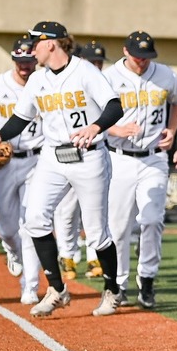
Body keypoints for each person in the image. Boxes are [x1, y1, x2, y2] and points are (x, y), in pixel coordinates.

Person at [0, 21, 125, 318]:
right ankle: (57, 289)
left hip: (88, 156)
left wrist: (96, 125)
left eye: (36, 42)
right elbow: (21, 117)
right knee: (35, 219)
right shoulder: (38, 80)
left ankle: (113, 290)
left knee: (97, 232)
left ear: (51, 43)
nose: (31, 48)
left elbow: (115, 106)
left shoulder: (85, 70)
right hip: (52, 156)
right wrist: (0, 135)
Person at [102, 31, 177, 309]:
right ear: (125, 52)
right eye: (137, 56)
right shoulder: (109, 77)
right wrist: (115, 128)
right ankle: (120, 284)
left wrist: (172, 131)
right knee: (118, 226)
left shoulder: (165, 74)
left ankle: (147, 280)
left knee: (151, 219)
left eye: (147, 56)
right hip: (119, 157)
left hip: (154, 157)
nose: (142, 61)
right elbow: (95, 114)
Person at [0, 35, 44, 304]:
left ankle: (30, 285)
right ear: (13, 59)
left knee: (31, 223)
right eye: (20, 60)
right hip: (5, 161)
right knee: (7, 228)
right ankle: (12, 251)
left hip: (36, 160)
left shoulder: (44, 82)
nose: (24, 65)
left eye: (29, 60)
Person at [54, 41, 108, 281]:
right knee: (66, 210)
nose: (96, 65)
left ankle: (95, 257)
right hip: (66, 151)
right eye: (92, 61)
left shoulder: (101, 82)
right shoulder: (68, 80)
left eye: (99, 61)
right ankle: (67, 256)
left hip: (95, 152)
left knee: (94, 211)